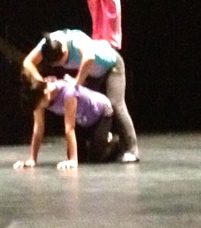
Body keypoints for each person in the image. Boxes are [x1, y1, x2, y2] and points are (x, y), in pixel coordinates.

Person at [22, 29, 139, 163]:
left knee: (115, 103)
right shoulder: (47, 43)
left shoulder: (75, 40)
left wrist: (77, 82)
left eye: (62, 61)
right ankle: (101, 138)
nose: (62, 65)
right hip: (91, 72)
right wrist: (41, 84)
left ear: (65, 50)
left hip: (111, 65)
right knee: (85, 105)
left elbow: (89, 57)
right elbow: (27, 63)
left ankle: (131, 150)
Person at [13, 74, 119, 170]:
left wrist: (73, 160)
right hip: (82, 120)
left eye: (41, 105)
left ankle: (114, 142)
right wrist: (32, 159)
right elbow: (38, 127)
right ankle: (99, 139)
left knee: (96, 157)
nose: (41, 108)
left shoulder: (68, 92)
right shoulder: (38, 96)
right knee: (81, 158)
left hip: (101, 113)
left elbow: (69, 127)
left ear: (46, 94)